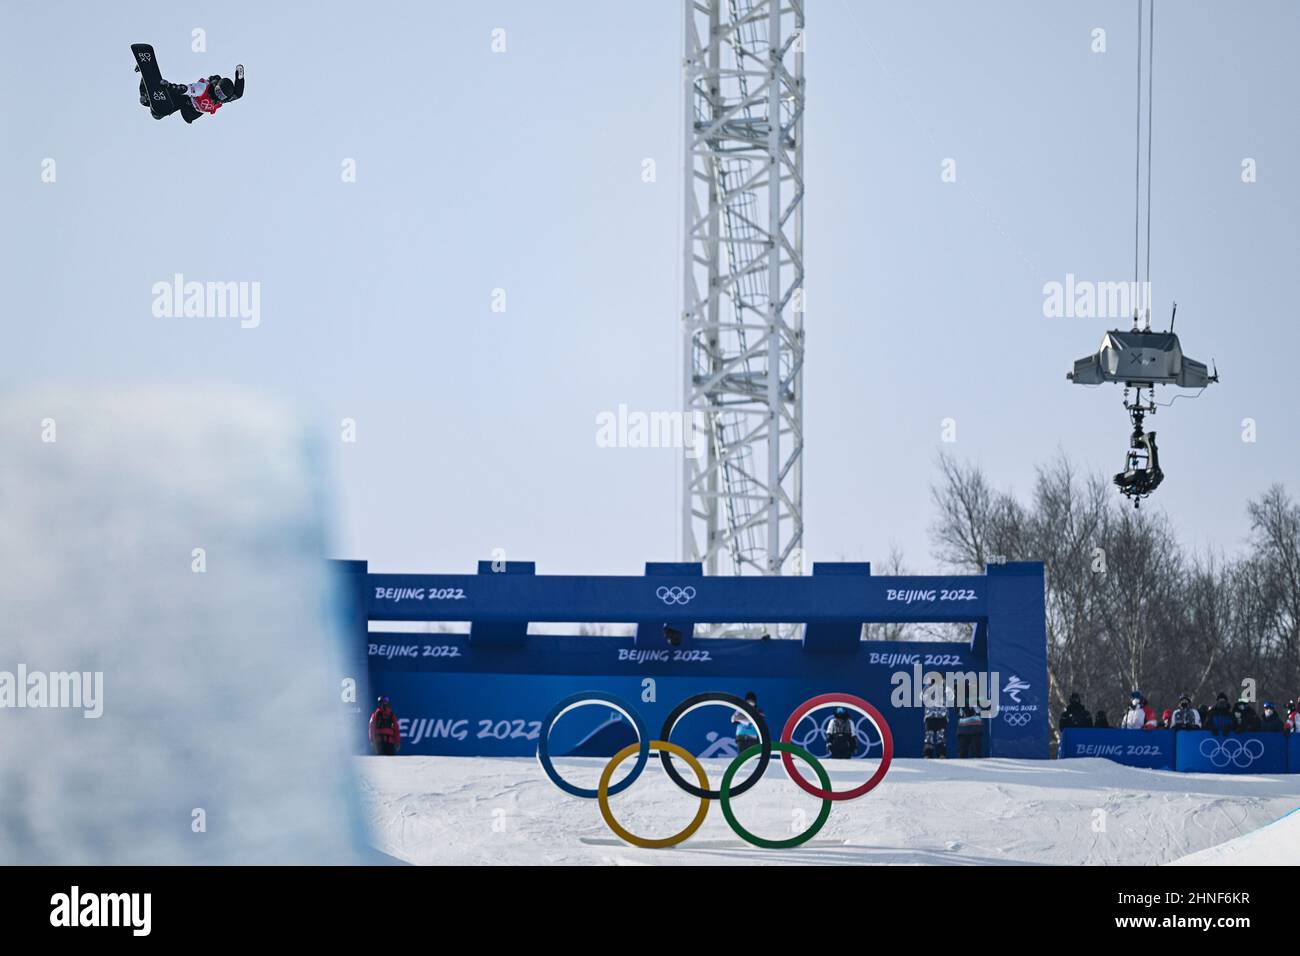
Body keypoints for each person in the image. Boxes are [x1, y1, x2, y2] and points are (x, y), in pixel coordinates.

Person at [139, 65, 244, 123]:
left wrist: (240, 77)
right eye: (217, 91)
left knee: (159, 114)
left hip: (192, 113)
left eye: (221, 96)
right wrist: (169, 86)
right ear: (215, 86)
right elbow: (184, 89)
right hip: (188, 100)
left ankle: (152, 101)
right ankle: (146, 93)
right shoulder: (202, 88)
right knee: (157, 114)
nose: (217, 96)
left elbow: (238, 94)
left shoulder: (223, 99)